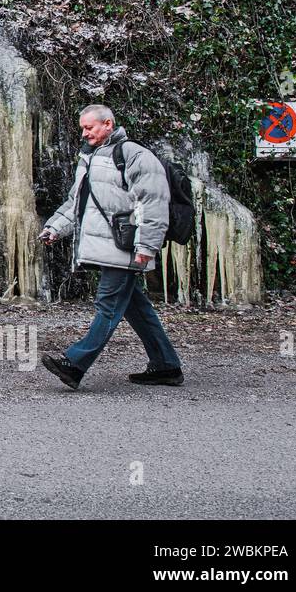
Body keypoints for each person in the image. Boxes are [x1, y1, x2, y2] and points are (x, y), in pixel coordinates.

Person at [37, 104, 184, 389]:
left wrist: (147, 246)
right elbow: (78, 203)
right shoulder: (89, 157)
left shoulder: (135, 155)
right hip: (107, 247)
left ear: (108, 124)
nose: (85, 133)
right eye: (82, 128)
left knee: (108, 305)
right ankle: (166, 366)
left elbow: (153, 203)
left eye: (89, 127)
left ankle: (75, 364)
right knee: (135, 308)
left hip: (125, 247)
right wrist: (55, 227)